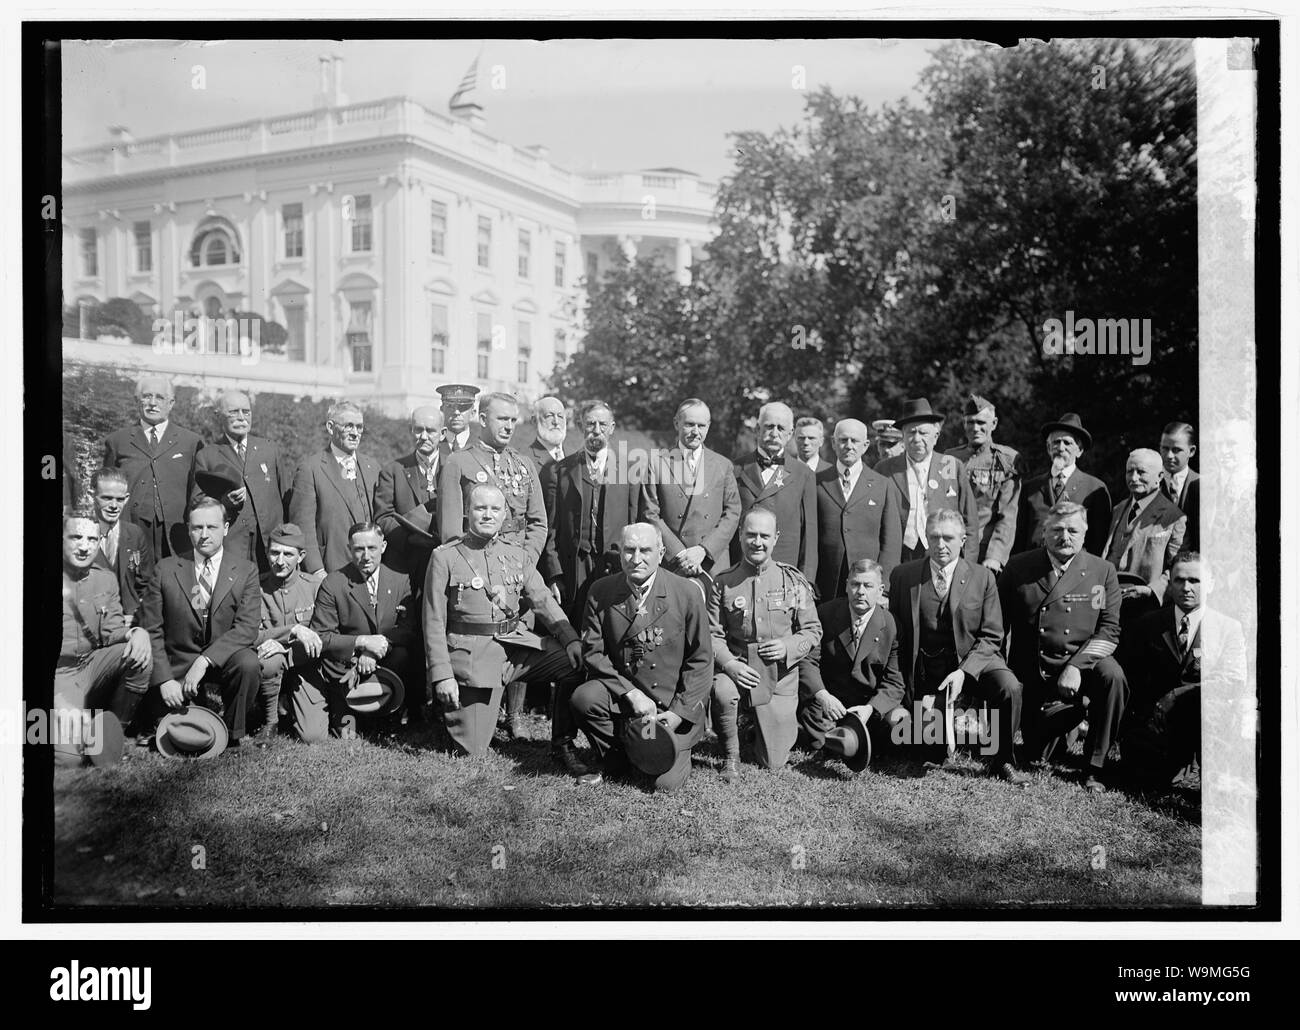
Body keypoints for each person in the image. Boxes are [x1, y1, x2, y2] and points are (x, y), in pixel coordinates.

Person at [424, 485, 583, 759]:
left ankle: (563, 744)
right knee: (472, 750)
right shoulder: (445, 557)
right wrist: (442, 675)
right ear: (467, 513)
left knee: (575, 665)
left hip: (516, 647)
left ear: (504, 515)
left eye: (495, 509)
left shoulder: (516, 555)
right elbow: (433, 621)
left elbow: (543, 599)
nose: (487, 515)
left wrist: (570, 638)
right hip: (474, 657)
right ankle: (451, 707)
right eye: (480, 508)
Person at [570, 523, 714, 791]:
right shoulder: (600, 592)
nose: (636, 559)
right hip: (628, 701)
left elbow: (701, 660)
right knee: (585, 698)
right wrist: (630, 694)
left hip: (671, 705)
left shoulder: (687, 593)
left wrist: (678, 714)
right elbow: (593, 652)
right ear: (620, 553)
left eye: (645, 550)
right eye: (629, 550)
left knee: (664, 785)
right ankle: (619, 758)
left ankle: (667, 749)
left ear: (661, 553)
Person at [886, 510, 1026, 782]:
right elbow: (898, 634)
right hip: (927, 669)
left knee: (1009, 687)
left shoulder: (982, 577)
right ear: (925, 538)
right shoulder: (903, 575)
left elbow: (992, 635)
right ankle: (939, 729)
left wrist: (964, 671)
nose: (940, 544)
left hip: (974, 662)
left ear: (963, 540)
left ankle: (1001, 758)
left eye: (948, 537)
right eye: (934, 537)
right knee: (926, 752)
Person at [999, 502, 1127, 791]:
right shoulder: (1020, 566)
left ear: (1085, 534)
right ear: (1044, 532)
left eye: (1072, 530)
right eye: (1056, 529)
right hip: (1032, 671)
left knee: (1113, 676)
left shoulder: (1102, 570)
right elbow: (998, 624)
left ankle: (1095, 766)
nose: (1064, 536)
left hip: (1082, 666)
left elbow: (1109, 631)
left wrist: (1076, 666)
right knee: (1036, 752)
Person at [142, 495, 262, 748]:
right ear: (189, 529)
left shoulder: (245, 570)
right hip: (178, 662)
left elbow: (247, 628)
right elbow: (152, 628)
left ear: (226, 528)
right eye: (197, 528)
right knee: (174, 731)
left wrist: (205, 660)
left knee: (248, 663)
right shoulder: (165, 569)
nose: (204, 534)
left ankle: (232, 732)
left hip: (222, 659)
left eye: (212, 527)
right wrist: (164, 680)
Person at [709, 509, 821, 779]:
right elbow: (711, 634)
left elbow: (812, 630)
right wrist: (730, 664)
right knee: (723, 690)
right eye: (751, 534)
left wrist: (788, 647)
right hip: (739, 671)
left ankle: (752, 725)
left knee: (773, 762)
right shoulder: (724, 583)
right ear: (740, 536)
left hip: (778, 677)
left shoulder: (792, 581)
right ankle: (730, 756)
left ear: (775, 538)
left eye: (764, 535)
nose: (757, 542)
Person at [1118, 552, 1246, 788]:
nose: (1186, 587)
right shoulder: (1148, 624)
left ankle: (1205, 769)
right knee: (1142, 778)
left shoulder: (1228, 628)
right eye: (1179, 580)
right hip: (1155, 725)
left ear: (1211, 584)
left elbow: (1232, 681)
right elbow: (1131, 677)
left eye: (1195, 581)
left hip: (1203, 722)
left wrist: (1178, 696)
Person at [299, 522, 420, 742]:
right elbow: (323, 637)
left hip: (385, 663)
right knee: (347, 735)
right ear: (349, 549)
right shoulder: (334, 583)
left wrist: (374, 650)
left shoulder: (400, 578)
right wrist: (362, 642)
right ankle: (352, 711)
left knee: (404, 655)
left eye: (372, 548)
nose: (366, 556)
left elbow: (409, 629)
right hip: (346, 668)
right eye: (358, 549)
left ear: (383, 547)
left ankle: (390, 714)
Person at [796, 558, 908, 763]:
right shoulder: (825, 614)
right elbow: (807, 662)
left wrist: (871, 709)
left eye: (868, 585)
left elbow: (895, 682)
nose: (860, 592)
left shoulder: (891, 625)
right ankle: (833, 742)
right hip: (831, 702)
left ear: (881, 589)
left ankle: (853, 743)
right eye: (855, 584)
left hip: (868, 706)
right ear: (846, 586)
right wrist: (823, 696)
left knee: (899, 723)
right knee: (811, 709)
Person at [57, 514, 153, 733]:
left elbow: (112, 630)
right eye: (76, 537)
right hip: (58, 673)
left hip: (89, 665)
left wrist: (137, 633)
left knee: (139, 655)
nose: (84, 547)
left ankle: (113, 731)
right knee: (67, 757)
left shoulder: (105, 579)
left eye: (92, 539)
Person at [102, 374, 204, 560]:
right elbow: (105, 490)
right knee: (134, 582)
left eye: (159, 397)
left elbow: (198, 491)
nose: (152, 403)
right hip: (132, 530)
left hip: (177, 532)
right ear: (136, 400)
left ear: (171, 403)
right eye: (147, 396)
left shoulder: (191, 443)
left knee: (173, 585)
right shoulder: (118, 441)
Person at [191, 389, 291, 572]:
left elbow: (286, 498)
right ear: (219, 416)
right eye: (233, 412)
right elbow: (196, 504)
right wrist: (223, 503)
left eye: (246, 412)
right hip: (232, 546)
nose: (241, 417)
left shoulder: (269, 450)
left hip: (271, 546)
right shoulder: (207, 456)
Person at [642, 398, 741, 579]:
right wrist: (681, 554)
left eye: (701, 426)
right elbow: (650, 513)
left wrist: (704, 550)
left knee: (710, 608)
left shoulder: (723, 465)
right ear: (676, 423)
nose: (696, 432)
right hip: (672, 562)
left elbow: (733, 512)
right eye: (689, 424)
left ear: (709, 426)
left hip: (712, 562)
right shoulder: (657, 463)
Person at [874, 398, 980, 564]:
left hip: (942, 555)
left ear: (936, 436)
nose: (916, 439)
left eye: (923, 433)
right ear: (902, 436)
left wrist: (968, 563)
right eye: (911, 432)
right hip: (899, 555)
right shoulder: (884, 469)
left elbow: (970, 522)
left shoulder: (952, 466)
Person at [814, 418, 902, 601]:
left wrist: (883, 588)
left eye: (854, 441)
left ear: (866, 445)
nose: (848, 446)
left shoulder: (882, 485)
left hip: (867, 583)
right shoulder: (816, 482)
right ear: (833, 442)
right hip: (826, 582)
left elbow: (891, 541)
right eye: (843, 440)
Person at [289, 402, 381, 575]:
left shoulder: (373, 467)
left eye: (359, 427)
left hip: (370, 569)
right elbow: (303, 527)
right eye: (348, 426)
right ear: (330, 428)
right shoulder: (310, 469)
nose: (355, 433)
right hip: (331, 571)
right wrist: (316, 571)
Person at [730, 401, 817, 581]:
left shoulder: (804, 474)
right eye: (769, 427)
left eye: (781, 428)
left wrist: (806, 580)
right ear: (757, 429)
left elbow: (810, 533)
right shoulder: (735, 469)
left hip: (785, 571)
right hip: (740, 570)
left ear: (790, 433)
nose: (774, 433)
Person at [253, 523, 324, 740]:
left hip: (304, 666)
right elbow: (250, 634)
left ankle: (291, 705)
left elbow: (322, 637)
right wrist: (293, 630)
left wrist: (284, 648)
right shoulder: (255, 588)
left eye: (288, 554)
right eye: (274, 553)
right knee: (269, 659)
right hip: (267, 664)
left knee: (313, 736)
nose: (280, 561)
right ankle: (270, 720)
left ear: (301, 556)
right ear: (266, 553)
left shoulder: (315, 587)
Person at [1103, 448, 1187, 622]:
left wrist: (1152, 590)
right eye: (1129, 472)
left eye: (1141, 472)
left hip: (1146, 610)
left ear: (1159, 476)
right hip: (1109, 604)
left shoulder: (1174, 517)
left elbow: (1177, 567)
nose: (1134, 478)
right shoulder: (1118, 510)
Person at [946, 394, 1024, 573]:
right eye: (970, 422)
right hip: (951, 548)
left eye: (981, 423)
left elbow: (1008, 515)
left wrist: (995, 556)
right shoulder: (949, 458)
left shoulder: (1007, 461)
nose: (975, 428)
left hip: (984, 553)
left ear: (994, 424)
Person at [1015, 413, 1112, 558]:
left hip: (1076, 570)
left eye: (1067, 443)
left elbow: (1099, 540)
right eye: (1056, 442)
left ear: (1079, 451)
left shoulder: (1095, 488)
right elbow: (1020, 537)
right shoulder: (1031, 488)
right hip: (1034, 568)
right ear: (1048, 448)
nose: (1060, 448)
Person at [374, 404, 445, 595]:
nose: (424, 436)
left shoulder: (455, 467)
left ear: (443, 433)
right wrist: (409, 540)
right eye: (418, 430)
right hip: (406, 565)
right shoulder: (393, 471)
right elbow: (383, 516)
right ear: (410, 430)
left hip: (447, 564)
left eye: (430, 431)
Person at [88, 467, 154, 627]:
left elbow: (145, 584)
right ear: (92, 496)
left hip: (129, 624)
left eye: (119, 499)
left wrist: (137, 616)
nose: (114, 506)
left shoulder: (135, 534)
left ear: (126, 498)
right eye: (107, 498)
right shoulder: (77, 535)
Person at [1159, 421, 1200, 549]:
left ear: (1191, 451)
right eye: (1165, 448)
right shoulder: (1147, 482)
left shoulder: (1201, 485)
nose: (1169, 455)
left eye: (1176, 450)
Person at [528, 395, 572, 468]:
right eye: (549, 416)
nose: (556, 422)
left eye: (560, 416)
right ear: (534, 421)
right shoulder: (525, 459)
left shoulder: (575, 455)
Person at [437, 383, 481, 452]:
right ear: (442, 411)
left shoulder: (481, 446)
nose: (456, 412)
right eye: (450, 406)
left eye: (463, 408)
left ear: (473, 413)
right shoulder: (433, 445)